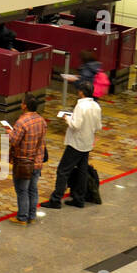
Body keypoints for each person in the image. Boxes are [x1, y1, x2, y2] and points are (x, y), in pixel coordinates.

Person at [40, 81, 102, 210]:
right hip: (87, 143)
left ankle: (56, 199)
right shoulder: (96, 106)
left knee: (62, 170)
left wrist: (67, 118)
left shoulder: (81, 106)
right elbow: (98, 126)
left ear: (81, 92)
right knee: (82, 171)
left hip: (76, 143)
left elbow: (75, 125)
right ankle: (79, 198)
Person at [8, 94, 47, 224]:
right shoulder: (41, 120)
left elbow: (14, 141)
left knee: (22, 190)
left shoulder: (22, 122)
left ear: (24, 105)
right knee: (33, 189)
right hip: (37, 161)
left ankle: (22, 217)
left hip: (23, 163)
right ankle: (32, 216)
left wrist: (9, 132)